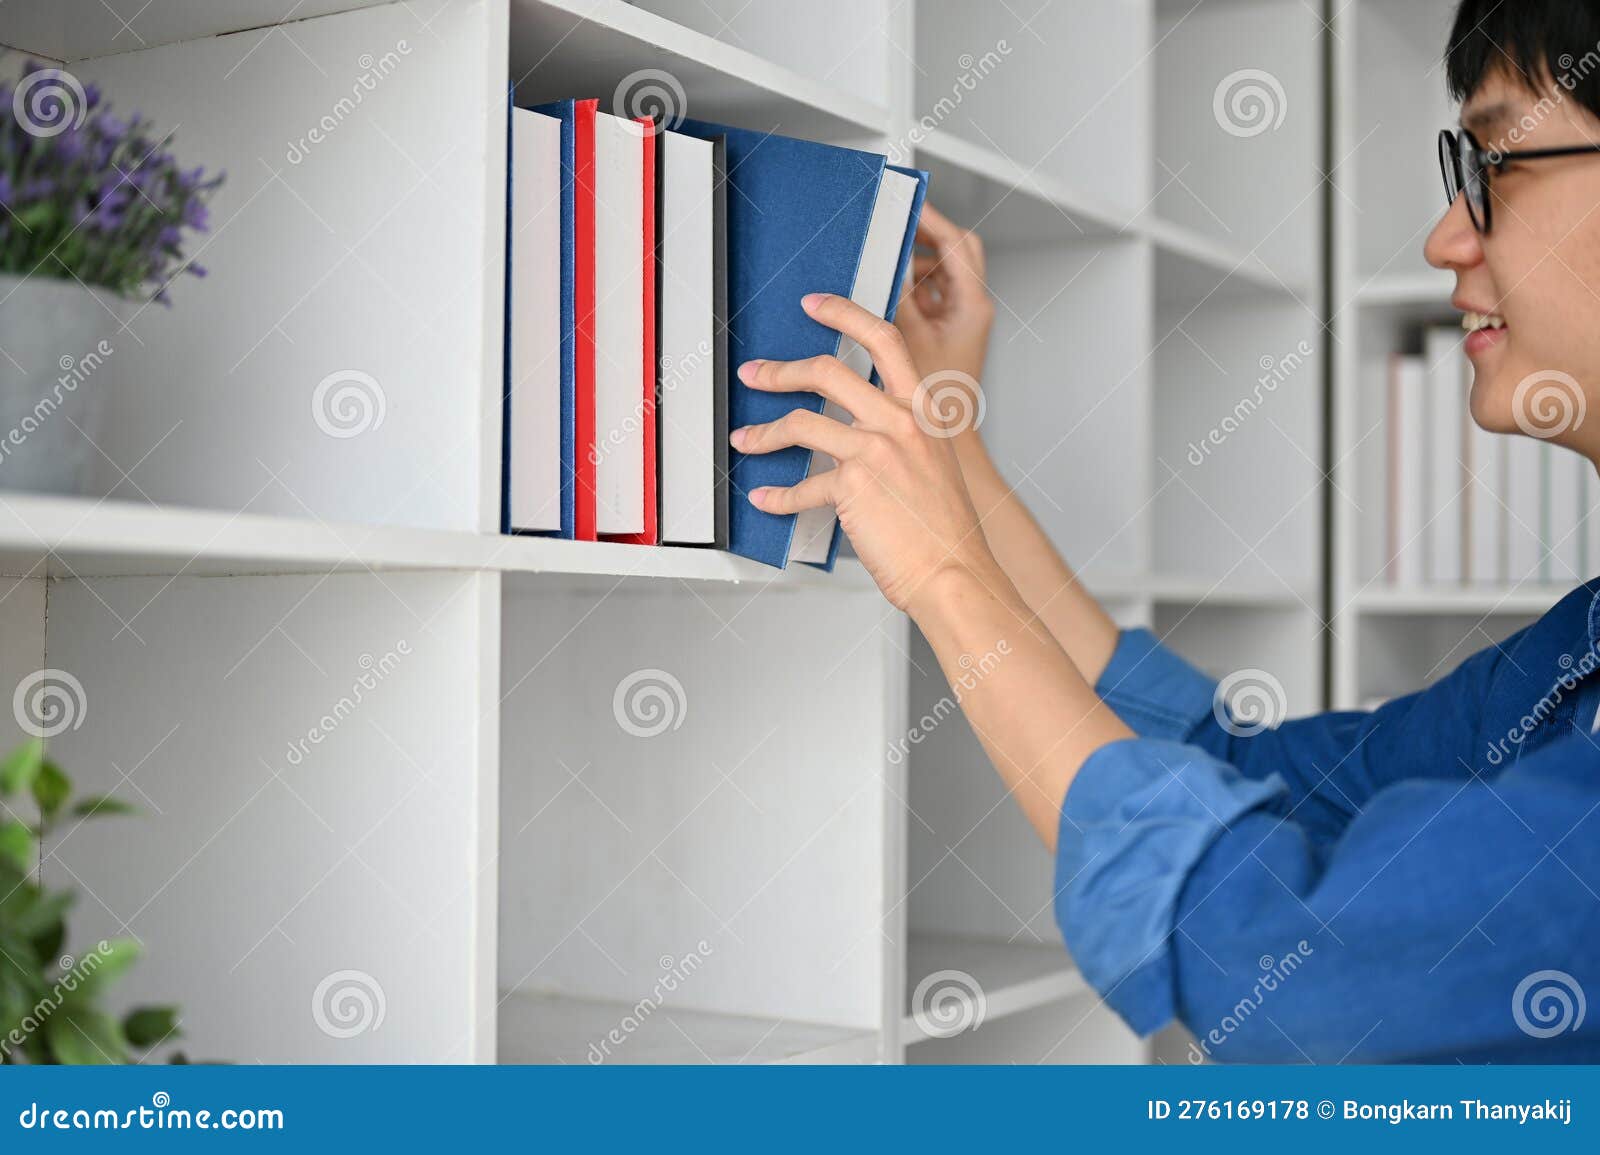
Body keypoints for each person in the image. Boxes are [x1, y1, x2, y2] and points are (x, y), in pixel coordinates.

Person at [730, 0, 1600, 1062]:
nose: (1444, 237)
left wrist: (951, 583)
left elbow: (1293, 980)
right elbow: (1235, 774)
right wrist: (945, 444)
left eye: (1497, 163)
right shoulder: (1578, 654)